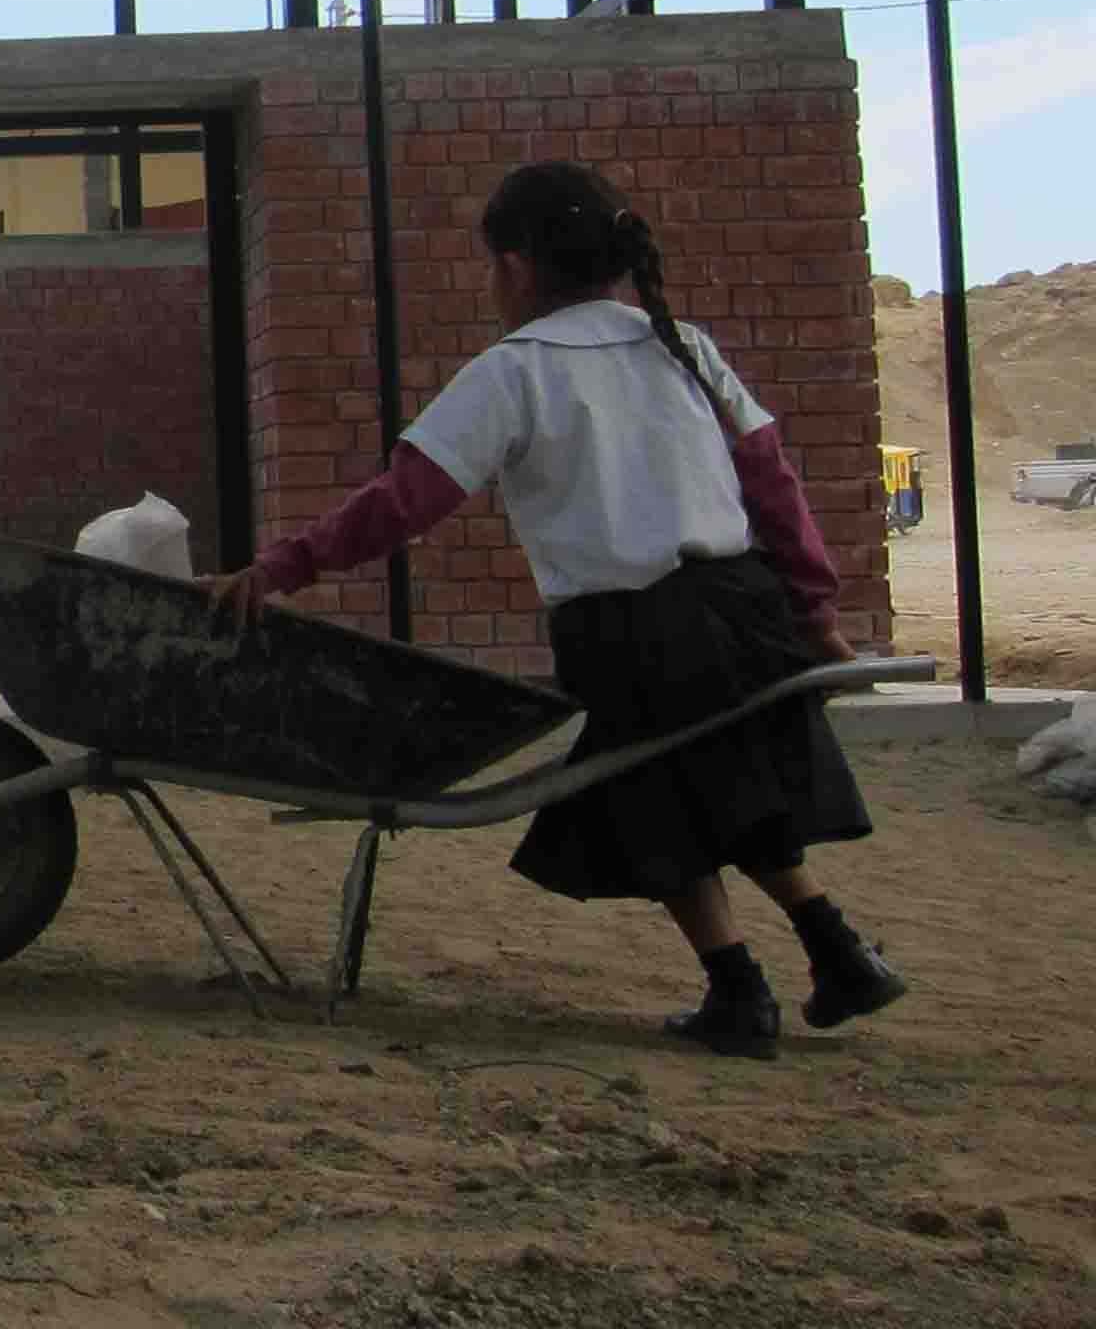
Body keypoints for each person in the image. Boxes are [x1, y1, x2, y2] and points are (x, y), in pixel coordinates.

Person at [203, 162, 903, 1059]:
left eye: (491, 265)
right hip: (740, 605)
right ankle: (835, 953)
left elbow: (404, 500)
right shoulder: (681, 344)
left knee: (659, 796)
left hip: (626, 628)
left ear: (520, 265)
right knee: (728, 781)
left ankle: (741, 988)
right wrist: (810, 610)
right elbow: (772, 481)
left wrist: (279, 567)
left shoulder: (515, 372)